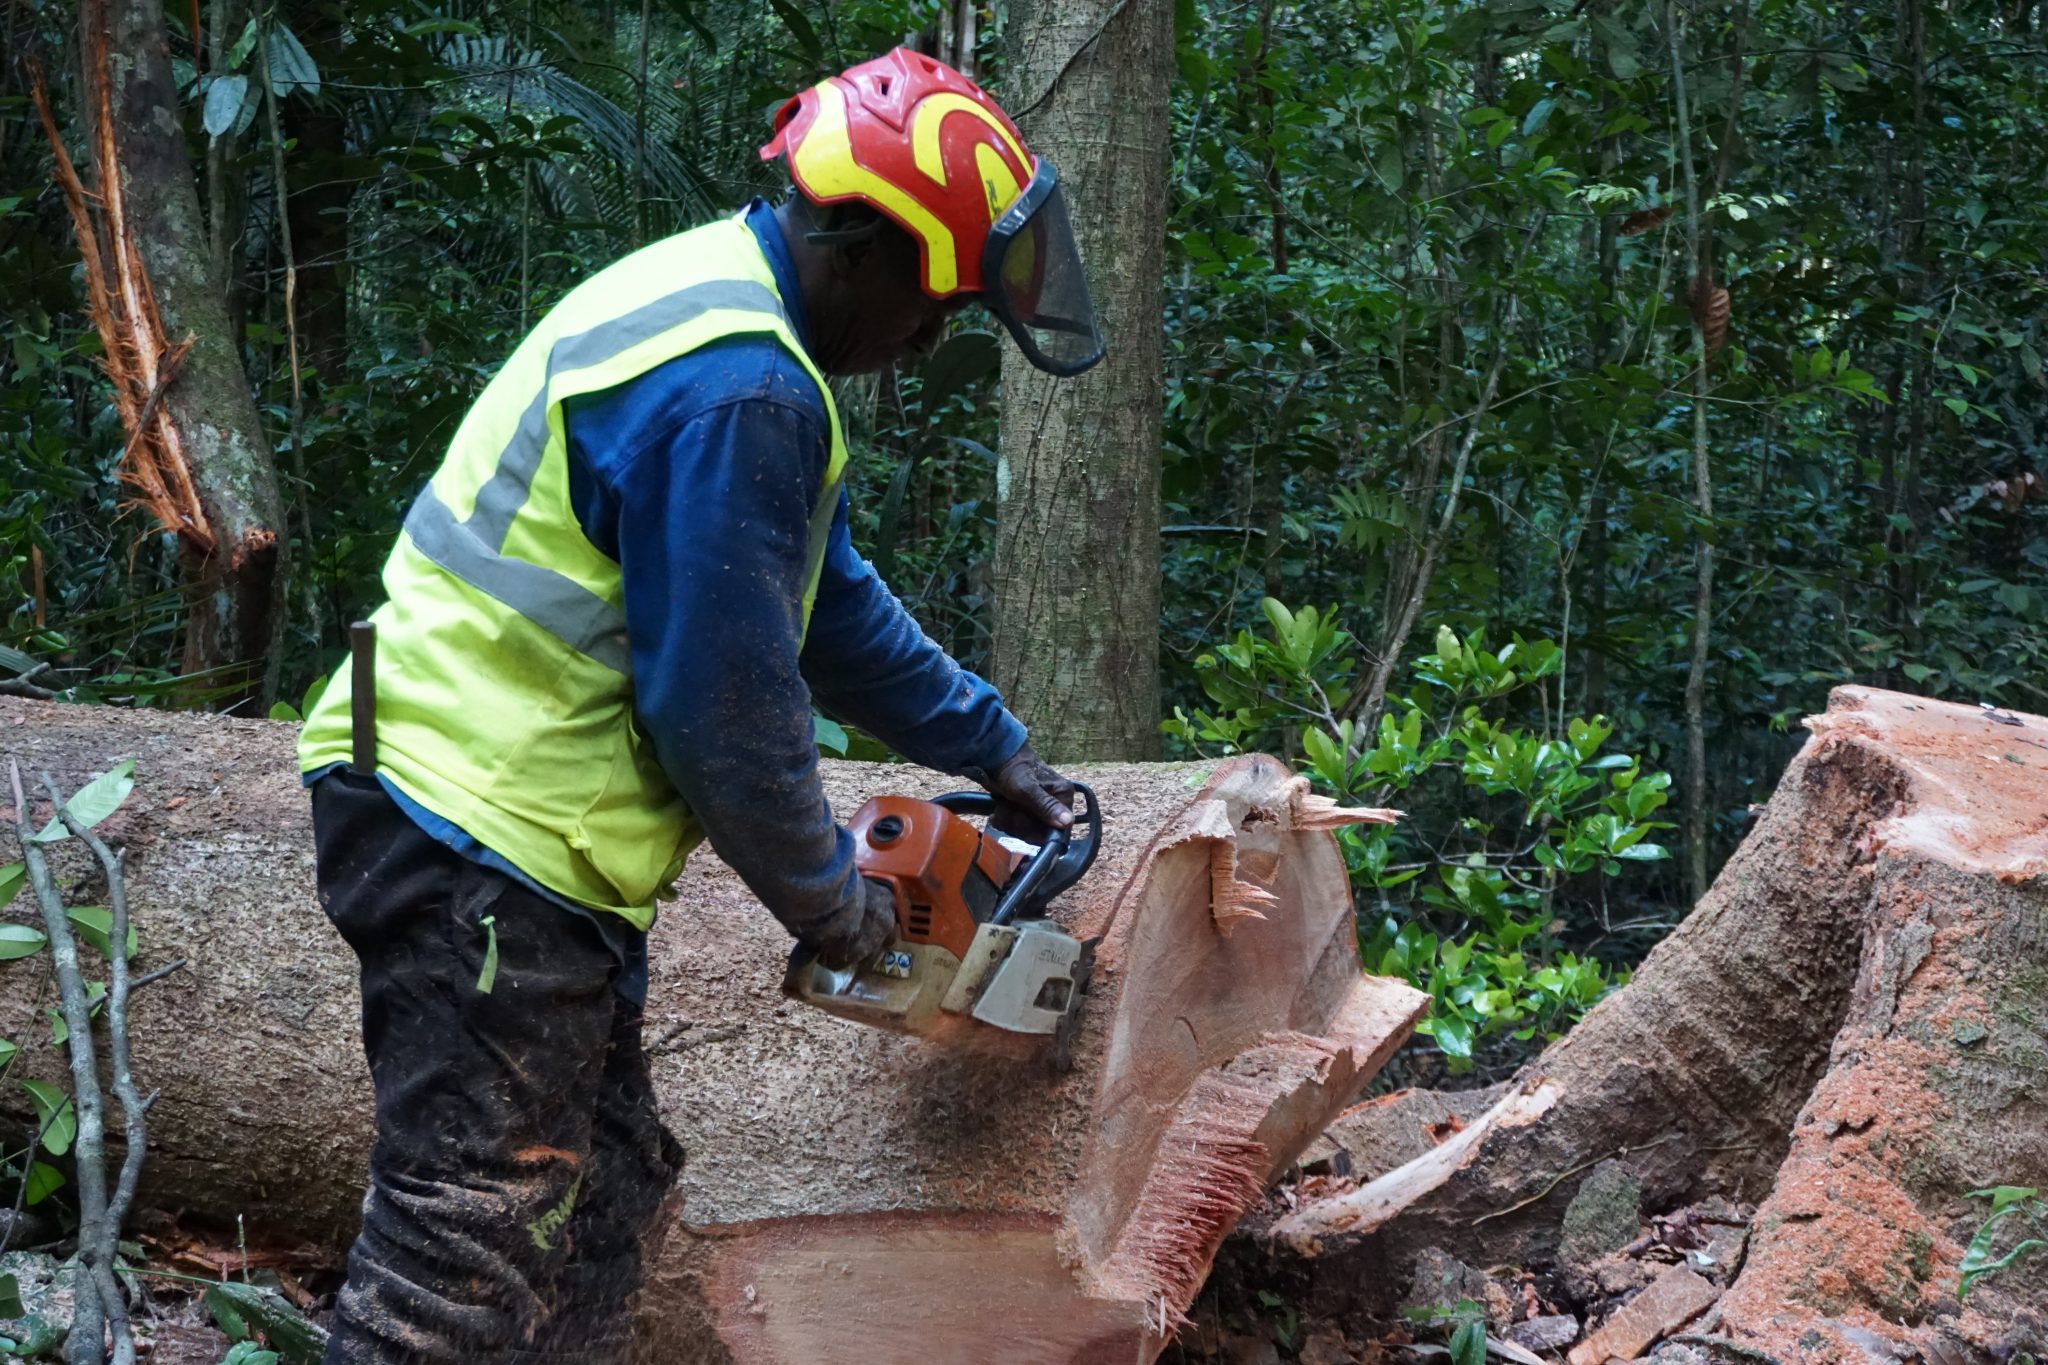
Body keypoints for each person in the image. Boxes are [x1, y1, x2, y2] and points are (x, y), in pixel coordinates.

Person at [295, 46, 1106, 1363]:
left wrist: (993, 749)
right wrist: (842, 914)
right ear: (856, 246)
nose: (933, 336)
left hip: (493, 826)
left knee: (604, 1192)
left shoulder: (731, 316)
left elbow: (824, 609)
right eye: (933, 300)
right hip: (471, 829)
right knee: (460, 1249)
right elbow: (723, 707)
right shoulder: (740, 384)